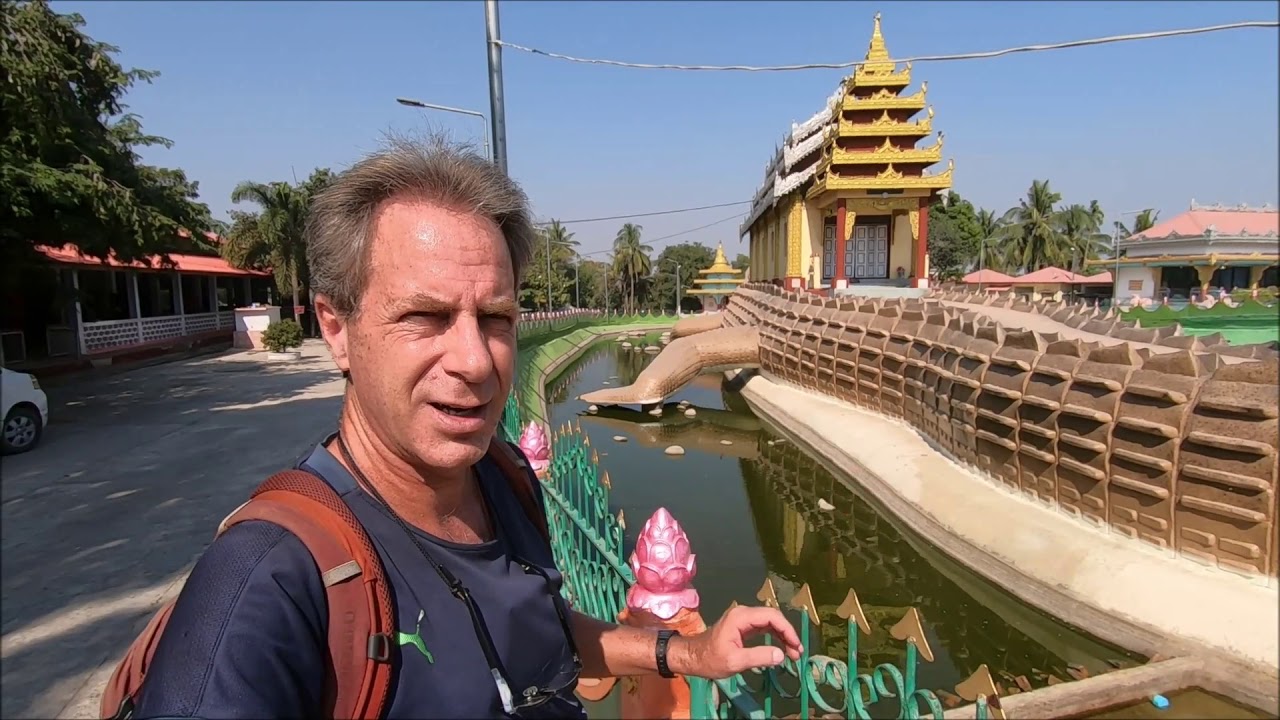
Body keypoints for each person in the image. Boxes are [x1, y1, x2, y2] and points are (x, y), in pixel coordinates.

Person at [130, 135, 802, 719]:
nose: (476, 361)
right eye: (424, 317)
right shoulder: (267, 581)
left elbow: (536, 630)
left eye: (495, 319)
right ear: (336, 329)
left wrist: (683, 651)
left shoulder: (502, 479)